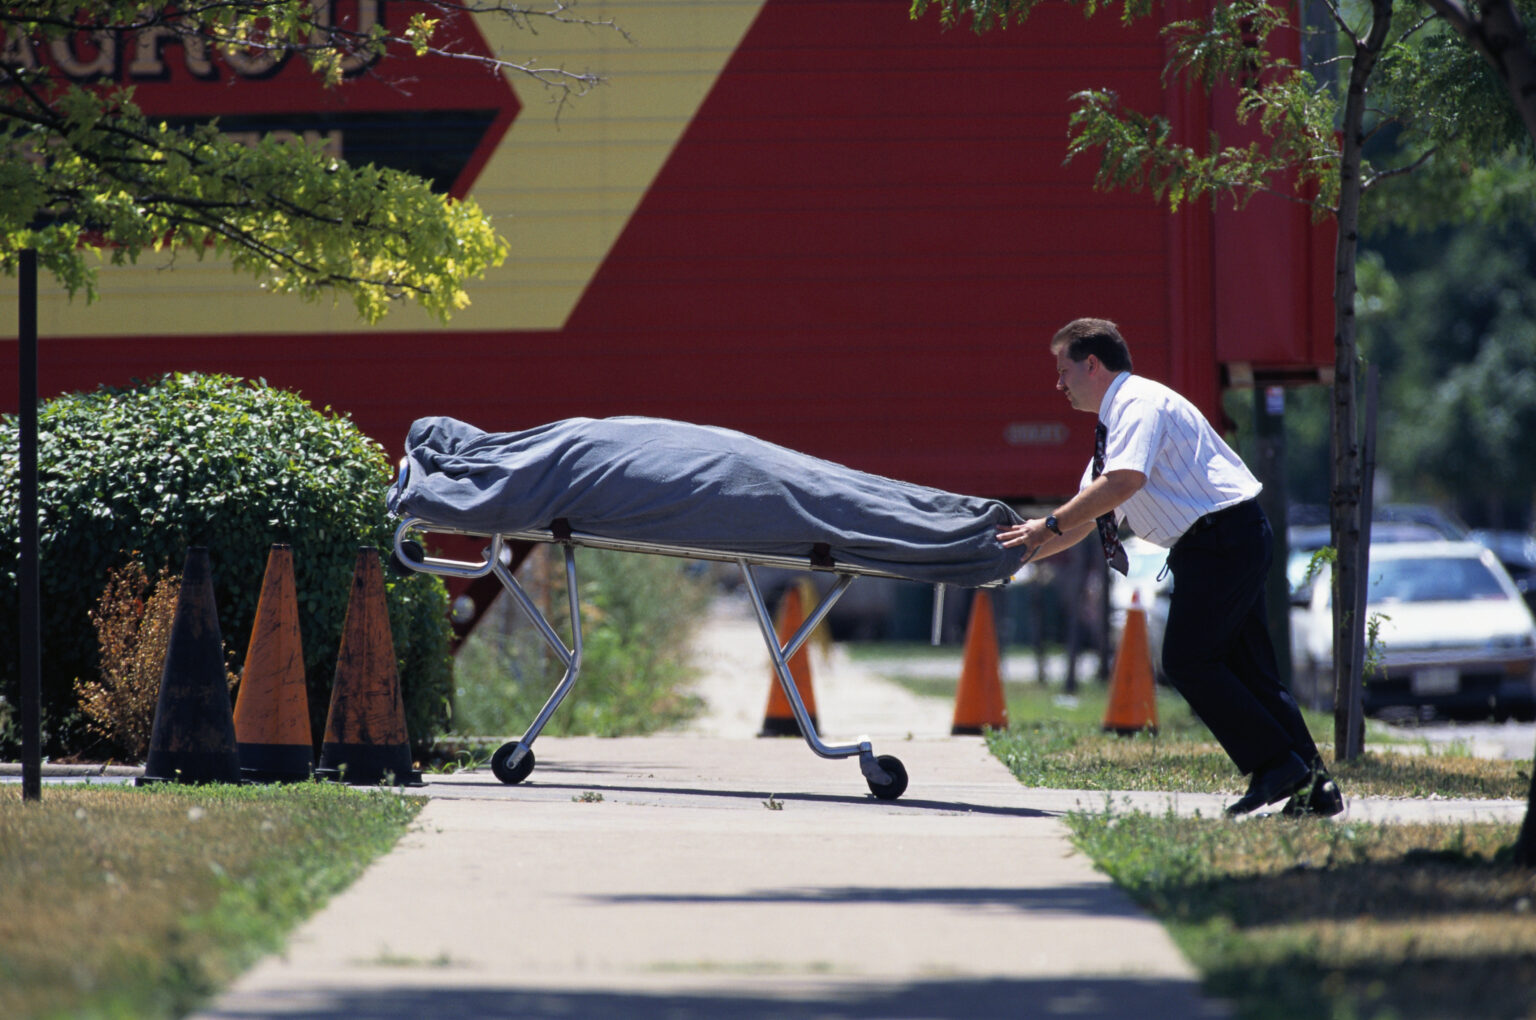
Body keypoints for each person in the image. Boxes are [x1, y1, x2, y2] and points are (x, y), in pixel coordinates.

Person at [998, 318, 1342, 817]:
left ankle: (1277, 766)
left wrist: (1045, 525)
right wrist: (1022, 550)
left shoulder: (1138, 404)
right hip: (1226, 537)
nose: (1059, 384)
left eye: (1064, 370)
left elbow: (1123, 483)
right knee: (1251, 674)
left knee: (1188, 660)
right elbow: (1089, 513)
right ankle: (1315, 788)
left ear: (1092, 364)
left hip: (1221, 538)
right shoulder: (1117, 421)